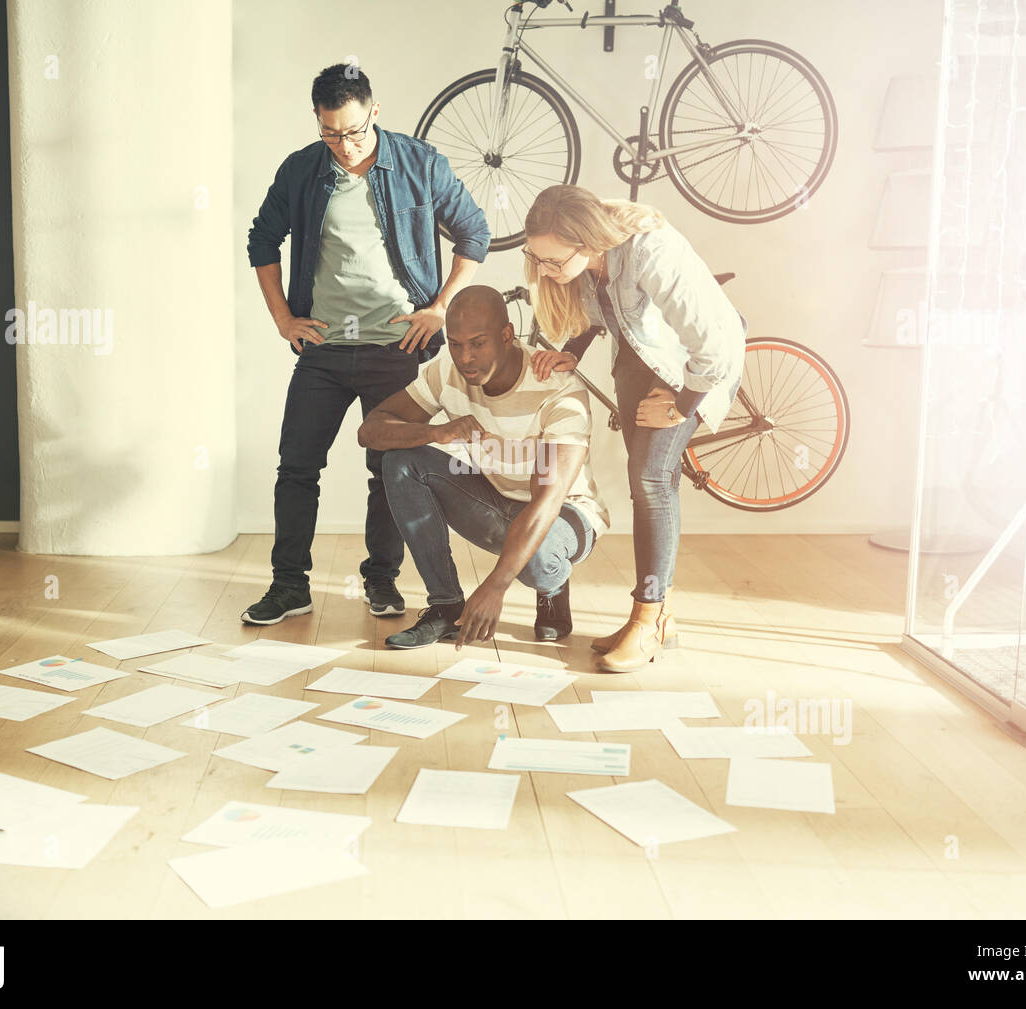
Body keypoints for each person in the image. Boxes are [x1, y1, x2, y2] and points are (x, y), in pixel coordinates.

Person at [242, 64, 489, 625]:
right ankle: (289, 587)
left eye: (354, 131)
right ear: (317, 122)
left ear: (374, 113)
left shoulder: (420, 164)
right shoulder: (303, 170)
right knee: (297, 467)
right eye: (332, 133)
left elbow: (475, 233)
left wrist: (440, 306)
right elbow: (262, 238)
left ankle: (382, 583)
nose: (345, 146)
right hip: (325, 350)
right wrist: (284, 318)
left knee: (389, 468)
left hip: (397, 350)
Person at [523, 184, 746, 672]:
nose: (544, 272)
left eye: (554, 262)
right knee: (647, 481)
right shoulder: (586, 259)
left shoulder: (650, 252)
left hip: (695, 363)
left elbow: (713, 347)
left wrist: (683, 405)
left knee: (651, 481)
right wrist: (572, 352)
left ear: (590, 243)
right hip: (640, 356)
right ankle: (657, 617)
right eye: (536, 259)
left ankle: (647, 620)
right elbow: (594, 304)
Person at [357, 286, 608, 649]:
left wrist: (494, 587)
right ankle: (445, 606)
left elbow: (545, 504)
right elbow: (371, 430)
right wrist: (436, 431)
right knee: (401, 460)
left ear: (507, 336)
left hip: (566, 513)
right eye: (455, 344)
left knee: (536, 556)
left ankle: (552, 585)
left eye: (478, 343)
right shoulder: (447, 373)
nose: (465, 358)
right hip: (498, 499)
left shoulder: (558, 390)